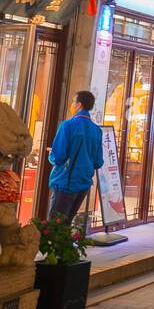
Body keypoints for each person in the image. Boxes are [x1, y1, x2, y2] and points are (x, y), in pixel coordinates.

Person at [46, 90, 104, 224]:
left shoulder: (68, 125)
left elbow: (59, 157)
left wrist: (51, 155)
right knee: (66, 223)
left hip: (65, 182)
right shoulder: (96, 130)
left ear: (79, 105)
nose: (72, 104)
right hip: (84, 183)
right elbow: (98, 162)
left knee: (55, 226)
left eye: (73, 101)